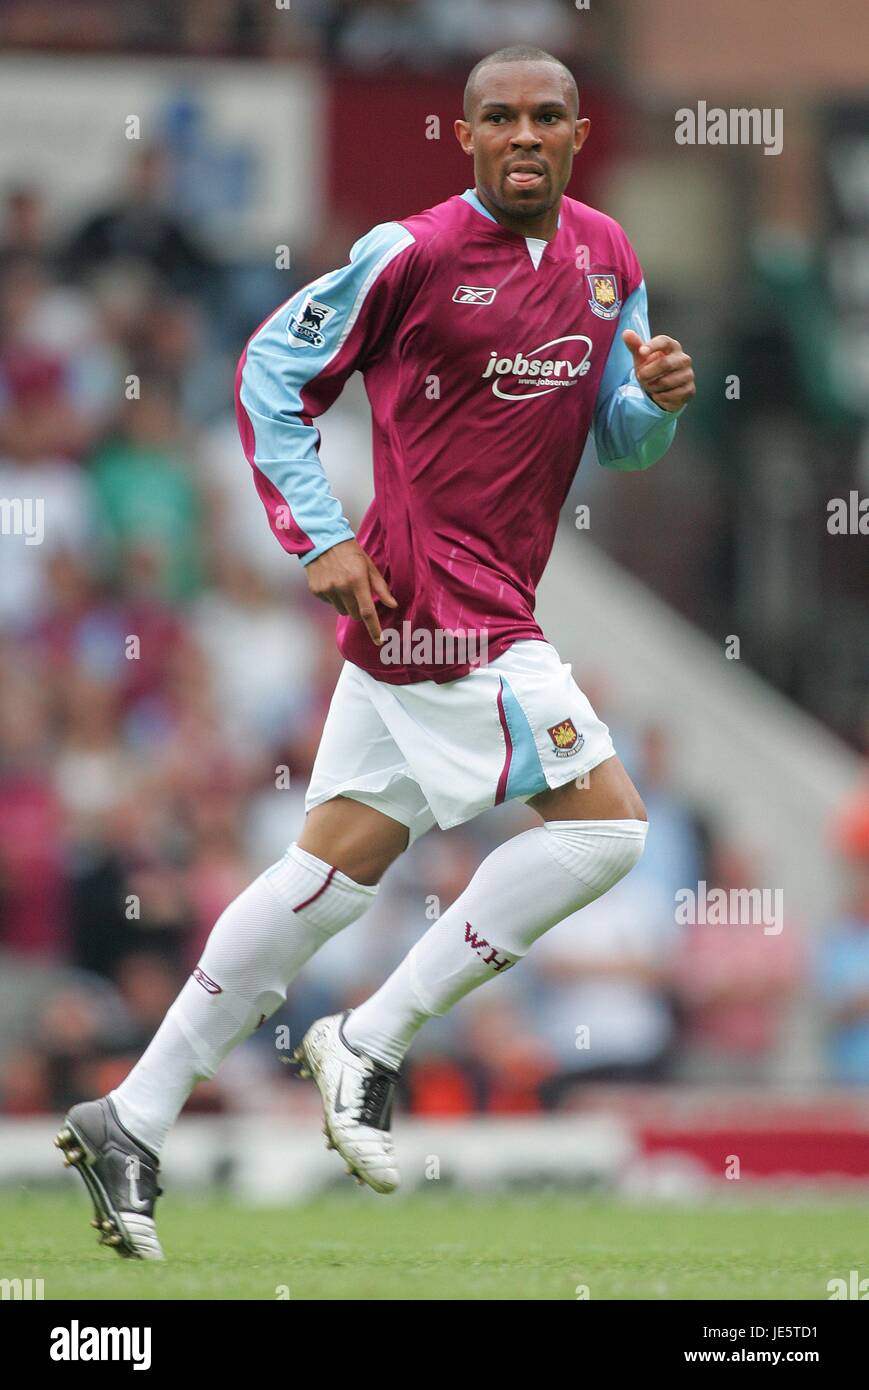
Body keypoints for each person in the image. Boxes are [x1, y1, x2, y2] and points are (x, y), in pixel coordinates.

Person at [56, 45, 695, 1259]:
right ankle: (368, 1037)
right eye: (497, 116)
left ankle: (130, 1115)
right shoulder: (408, 255)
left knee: (327, 878)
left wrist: (655, 400)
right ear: (462, 136)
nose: (521, 134)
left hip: (489, 599)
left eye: (544, 116)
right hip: (435, 603)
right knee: (608, 826)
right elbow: (267, 371)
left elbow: (618, 443)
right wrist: (319, 538)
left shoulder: (607, 260)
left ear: (573, 134)